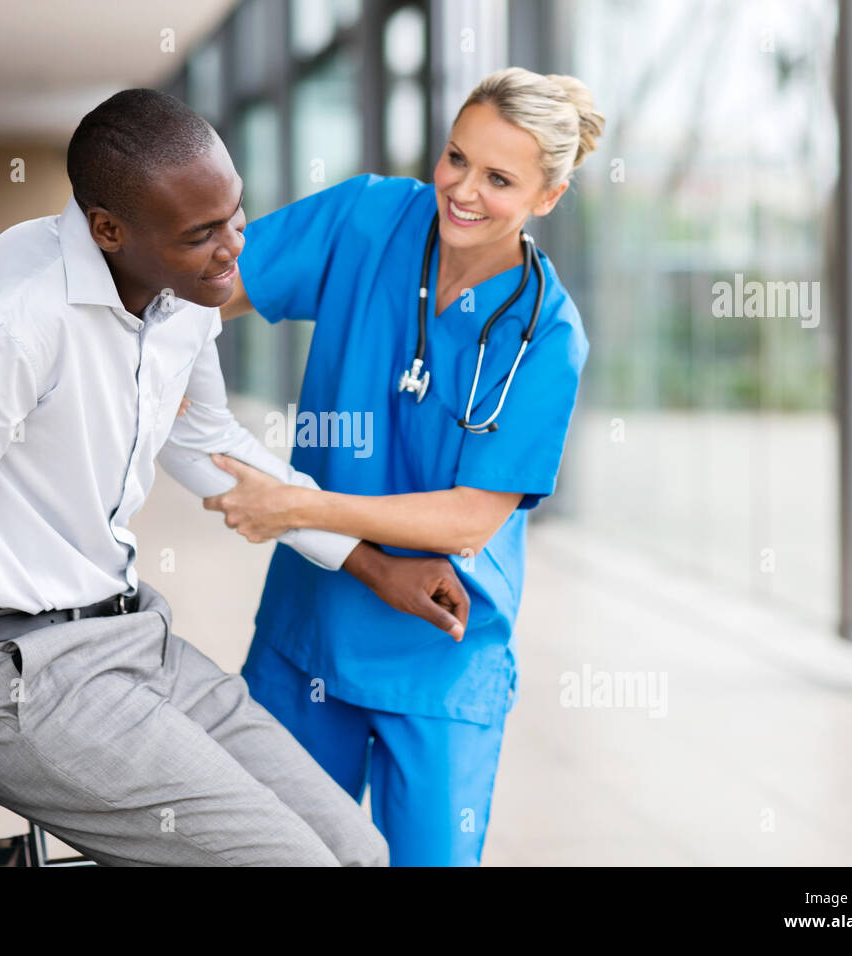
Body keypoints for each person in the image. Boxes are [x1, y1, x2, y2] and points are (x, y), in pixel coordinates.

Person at [0, 89, 472, 866]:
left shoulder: (183, 297)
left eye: (236, 216)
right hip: (9, 679)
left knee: (359, 850)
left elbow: (204, 438)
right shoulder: (2, 321)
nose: (234, 250)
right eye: (202, 235)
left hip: (134, 637)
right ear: (108, 230)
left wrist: (370, 560)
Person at [204, 68, 602, 865]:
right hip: (311, 627)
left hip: (441, 650)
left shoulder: (548, 334)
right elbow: (212, 291)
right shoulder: (369, 219)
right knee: (268, 853)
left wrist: (299, 508)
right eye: (456, 157)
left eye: (499, 179)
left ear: (547, 197)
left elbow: (472, 517)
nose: (462, 189)